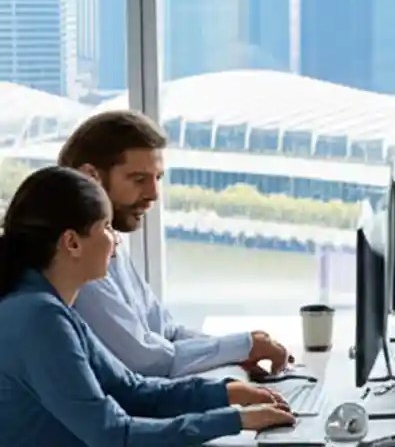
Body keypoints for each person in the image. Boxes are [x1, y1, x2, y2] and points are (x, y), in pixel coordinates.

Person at [0, 166, 296, 446]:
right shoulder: (39, 318)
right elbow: (113, 435)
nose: (115, 241)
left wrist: (227, 392)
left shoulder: (48, 308)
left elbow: (133, 391)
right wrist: (235, 420)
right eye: (106, 227)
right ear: (72, 243)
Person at [58, 110, 292, 379]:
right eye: (139, 179)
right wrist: (243, 347)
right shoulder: (76, 257)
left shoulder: (111, 242)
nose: (153, 194)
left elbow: (166, 332)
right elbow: (144, 361)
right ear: (91, 177)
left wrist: (241, 351)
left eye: (157, 178)